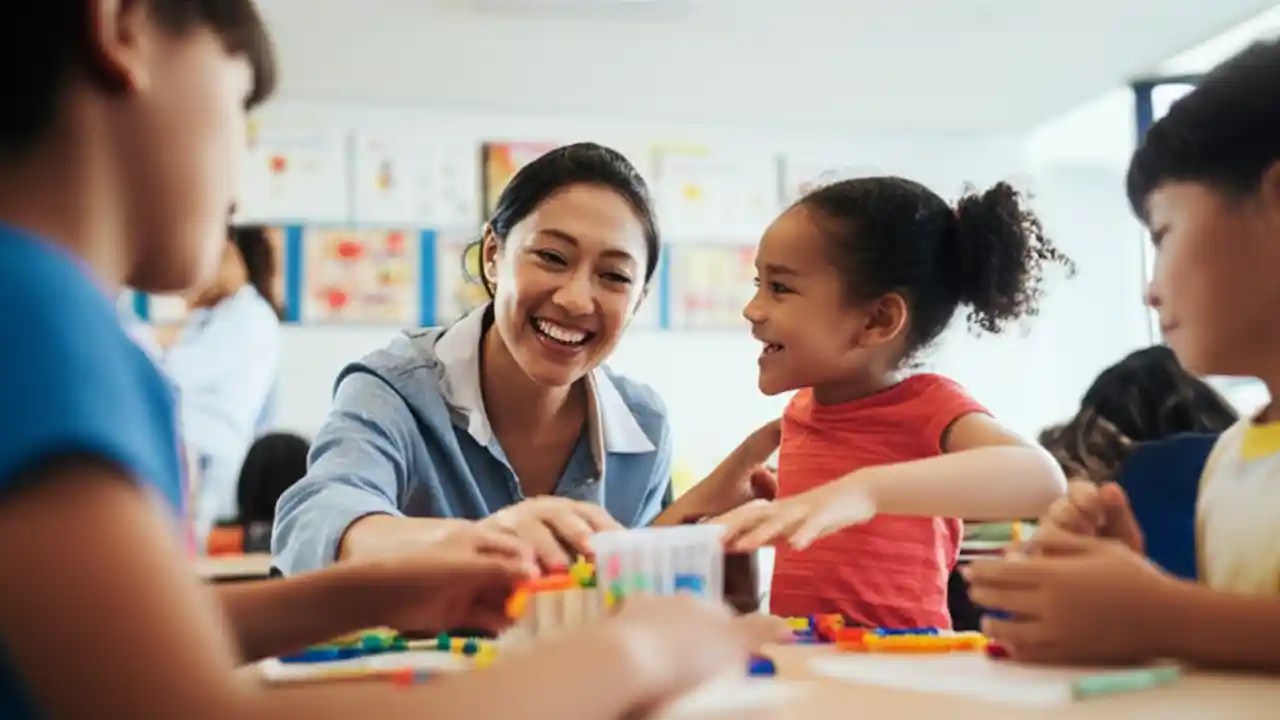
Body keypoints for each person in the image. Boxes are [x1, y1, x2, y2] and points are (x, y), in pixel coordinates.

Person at [0, 2, 783, 717]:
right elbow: (198, 685)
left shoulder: (55, 317)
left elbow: (130, 639)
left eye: (614, 275)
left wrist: (407, 584)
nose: (578, 299)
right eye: (243, 107)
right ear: (124, 27)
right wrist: (636, 653)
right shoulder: (38, 316)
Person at [273, 142, 781, 575]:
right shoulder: (395, 389)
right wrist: (476, 544)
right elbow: (315, 520)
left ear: (639, 300)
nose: (577, 300)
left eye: (615, 276)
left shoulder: (643, 424)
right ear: (493, 254)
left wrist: (700, 527)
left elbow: (614, 589)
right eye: (552, 257)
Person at [965, 38, 1280, 671]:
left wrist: (1166, 615)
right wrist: (1125, 595)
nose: (1150, 285)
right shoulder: (1231, 456)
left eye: (1163, 234)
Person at [712, 177, 1072, 629]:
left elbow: (1042, 480)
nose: (753, 308)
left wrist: (864, 491)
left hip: (903, 666)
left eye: (780, 288)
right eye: (758, 283)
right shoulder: (800, 415)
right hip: (811, 663)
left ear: (878, 319)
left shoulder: (927, 406)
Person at [162, 224, 282, 539]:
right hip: (194, 453)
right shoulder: (215, 315)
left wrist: (157, 342)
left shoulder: (249, 316)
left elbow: (180, 370)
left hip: (212, 457)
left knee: (195, 550)